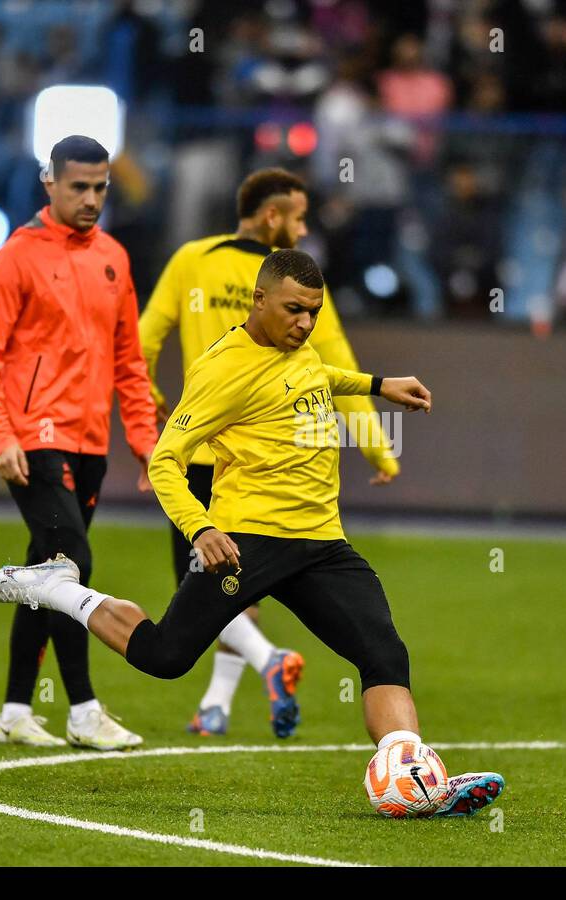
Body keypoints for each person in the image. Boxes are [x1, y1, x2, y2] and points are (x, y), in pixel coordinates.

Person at [0, 249, 504, 818]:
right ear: (259, 300)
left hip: (322, 544)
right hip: (245, 542)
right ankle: (57, 588)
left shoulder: (299, 348)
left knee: (383, 653)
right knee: (166, 656)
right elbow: (165, 462)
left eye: (314, 313)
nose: (305, 324)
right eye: (294, 310)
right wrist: (200, 528)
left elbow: (311, 378)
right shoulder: (222, 369)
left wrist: (375, 384)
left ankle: (410, 777)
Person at [139, 168, 400, 737]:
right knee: (197, 617)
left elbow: (146, 337)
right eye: (299, 217)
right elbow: (333, 351)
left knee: (222, 596)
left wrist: (146, 406)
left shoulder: (203, 263)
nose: (304, 229)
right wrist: (377, 446)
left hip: (223, 466)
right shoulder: (281, 293)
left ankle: (219, 703)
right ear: (273, 216)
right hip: (218, 468)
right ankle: (256, 670)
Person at [0, 135, 158, 749]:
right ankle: (84, 711)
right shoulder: (17, 257)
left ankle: (16, 711)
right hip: (33, 436)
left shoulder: (114, 259)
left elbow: (129, 359)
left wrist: (149, 444)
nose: (93, 198)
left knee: (49, 578)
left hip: (90, 442)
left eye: (101, 187)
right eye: (79, 187)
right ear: (50, 184)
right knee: (72, 567)